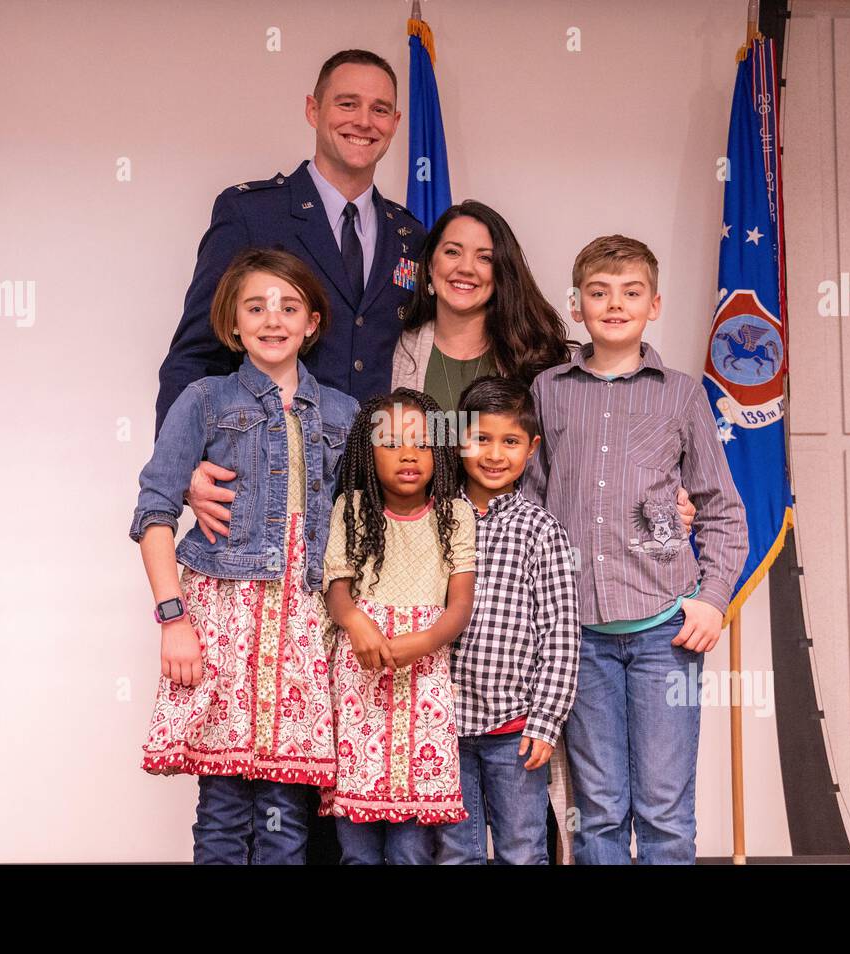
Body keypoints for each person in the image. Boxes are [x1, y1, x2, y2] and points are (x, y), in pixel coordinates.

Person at [522, 235, 749, 865]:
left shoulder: (680, 394)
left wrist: (711, 599)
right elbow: (531, 511)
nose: (613, 304)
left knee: (664, 811)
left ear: (655, 304)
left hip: (663, 633)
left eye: (630, 293)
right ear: (576, 306)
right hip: (578, 637)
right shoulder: (549, 391)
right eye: (598, 293)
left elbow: (724, 508)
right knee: (596, 810)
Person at [130, 248, 359, 864]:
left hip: (305, 629)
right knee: (225, 808)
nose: (272, 319)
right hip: (221, 626)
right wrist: (173, 619)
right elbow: (154, 511)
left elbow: (356, 529)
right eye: (255, 307)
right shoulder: (205, 400)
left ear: (312, 322)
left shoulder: (343, 413)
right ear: (232, 323)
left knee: (286, 818)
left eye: (288, 306)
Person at [160, 48, 425, 541]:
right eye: (347, 104)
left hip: (373, 500)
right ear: (313, 109)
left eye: (380, 109)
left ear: (395, 122)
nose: (363, 122)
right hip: (262, 489)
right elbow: (193, 353)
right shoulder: (253, 214)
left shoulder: (410, 236)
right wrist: (188, 468)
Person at [320, 389, 476, 864]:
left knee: (411, 846)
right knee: (357, 846)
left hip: (422, 684)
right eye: (391, 443)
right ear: (368, 452)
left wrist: (422, 641)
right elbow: (336, 587)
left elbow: (459, 607)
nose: (408, 454)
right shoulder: (350, 508)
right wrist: (355, 622)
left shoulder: (456, 515)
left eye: (422, 443)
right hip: (359, 682)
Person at [435, 376, 580, 865]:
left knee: (522, 848)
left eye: (511, 441)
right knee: (456, 850)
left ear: (531, 448)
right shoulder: (437, 520)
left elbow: (560, 635)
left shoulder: (541, 531)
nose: (494, 454)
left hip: (514, 727)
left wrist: (545, 721)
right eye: (481, 438)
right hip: (445, 723)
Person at [390, 200, 571, 411]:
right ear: (430, 264)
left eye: (484, 258)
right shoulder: (395, 349)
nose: (466, 268)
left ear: (501, 272)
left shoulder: (536, 358)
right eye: (452, 252)